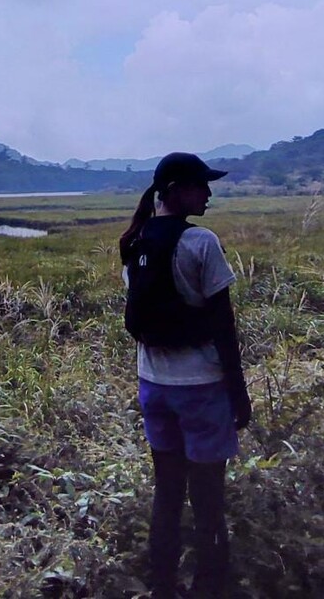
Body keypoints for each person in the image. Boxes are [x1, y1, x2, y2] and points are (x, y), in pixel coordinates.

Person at [121, 152, 251, 599]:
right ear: (176, 190)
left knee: (168, 491)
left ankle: (163, 586)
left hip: (153, 387)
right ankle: (210, 585)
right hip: (202, 390)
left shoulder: (135, 240)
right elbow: (223, 327)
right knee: (209, 498)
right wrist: (240, 395)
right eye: (201, 185)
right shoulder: (202, 243)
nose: (209, 193)